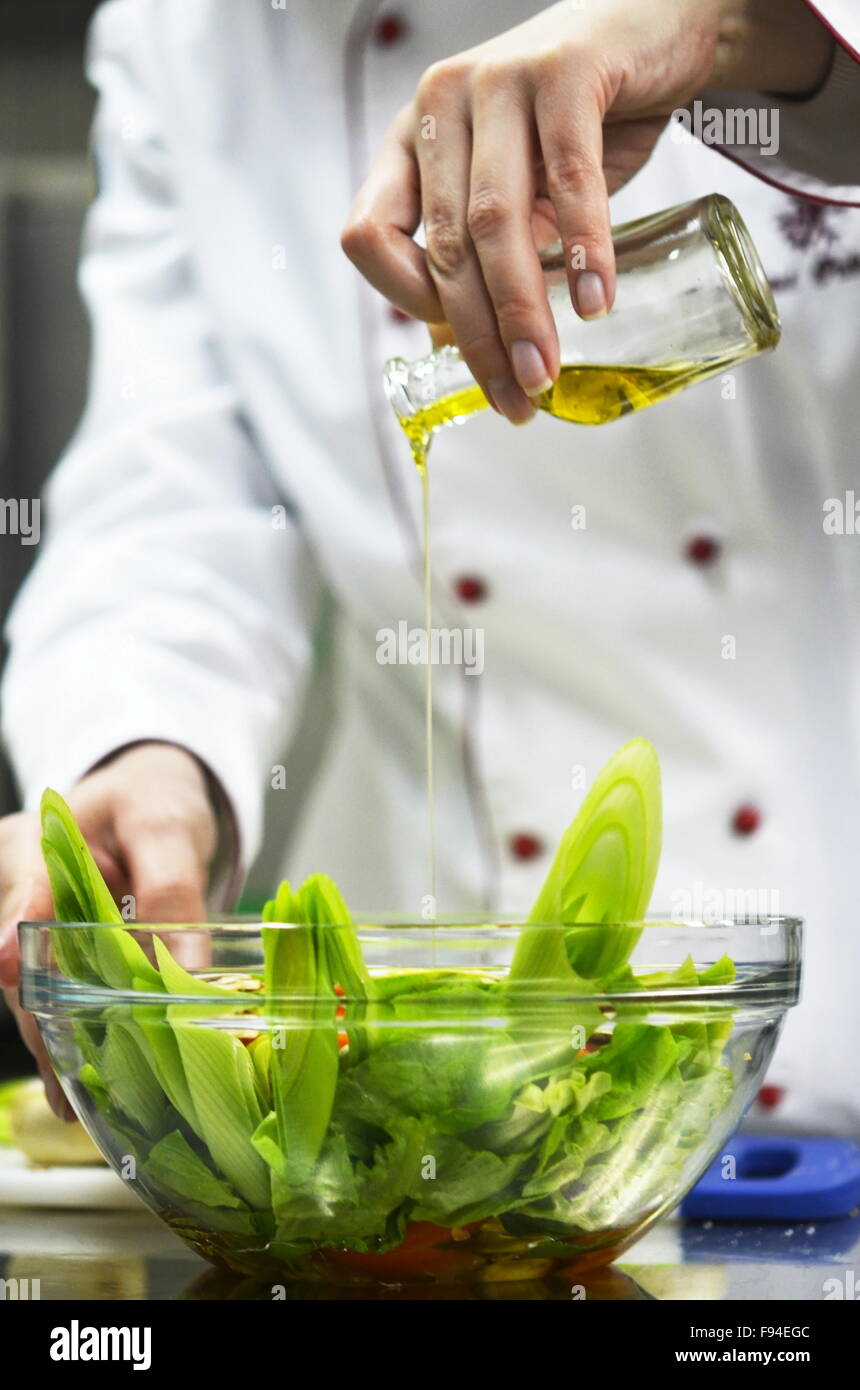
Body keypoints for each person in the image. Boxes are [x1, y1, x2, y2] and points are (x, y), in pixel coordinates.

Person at [1, 0, 858, 1130]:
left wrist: (747, 25)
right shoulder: (192, 30)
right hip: (416, 1059)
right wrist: (145, 748)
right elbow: (179, 489)